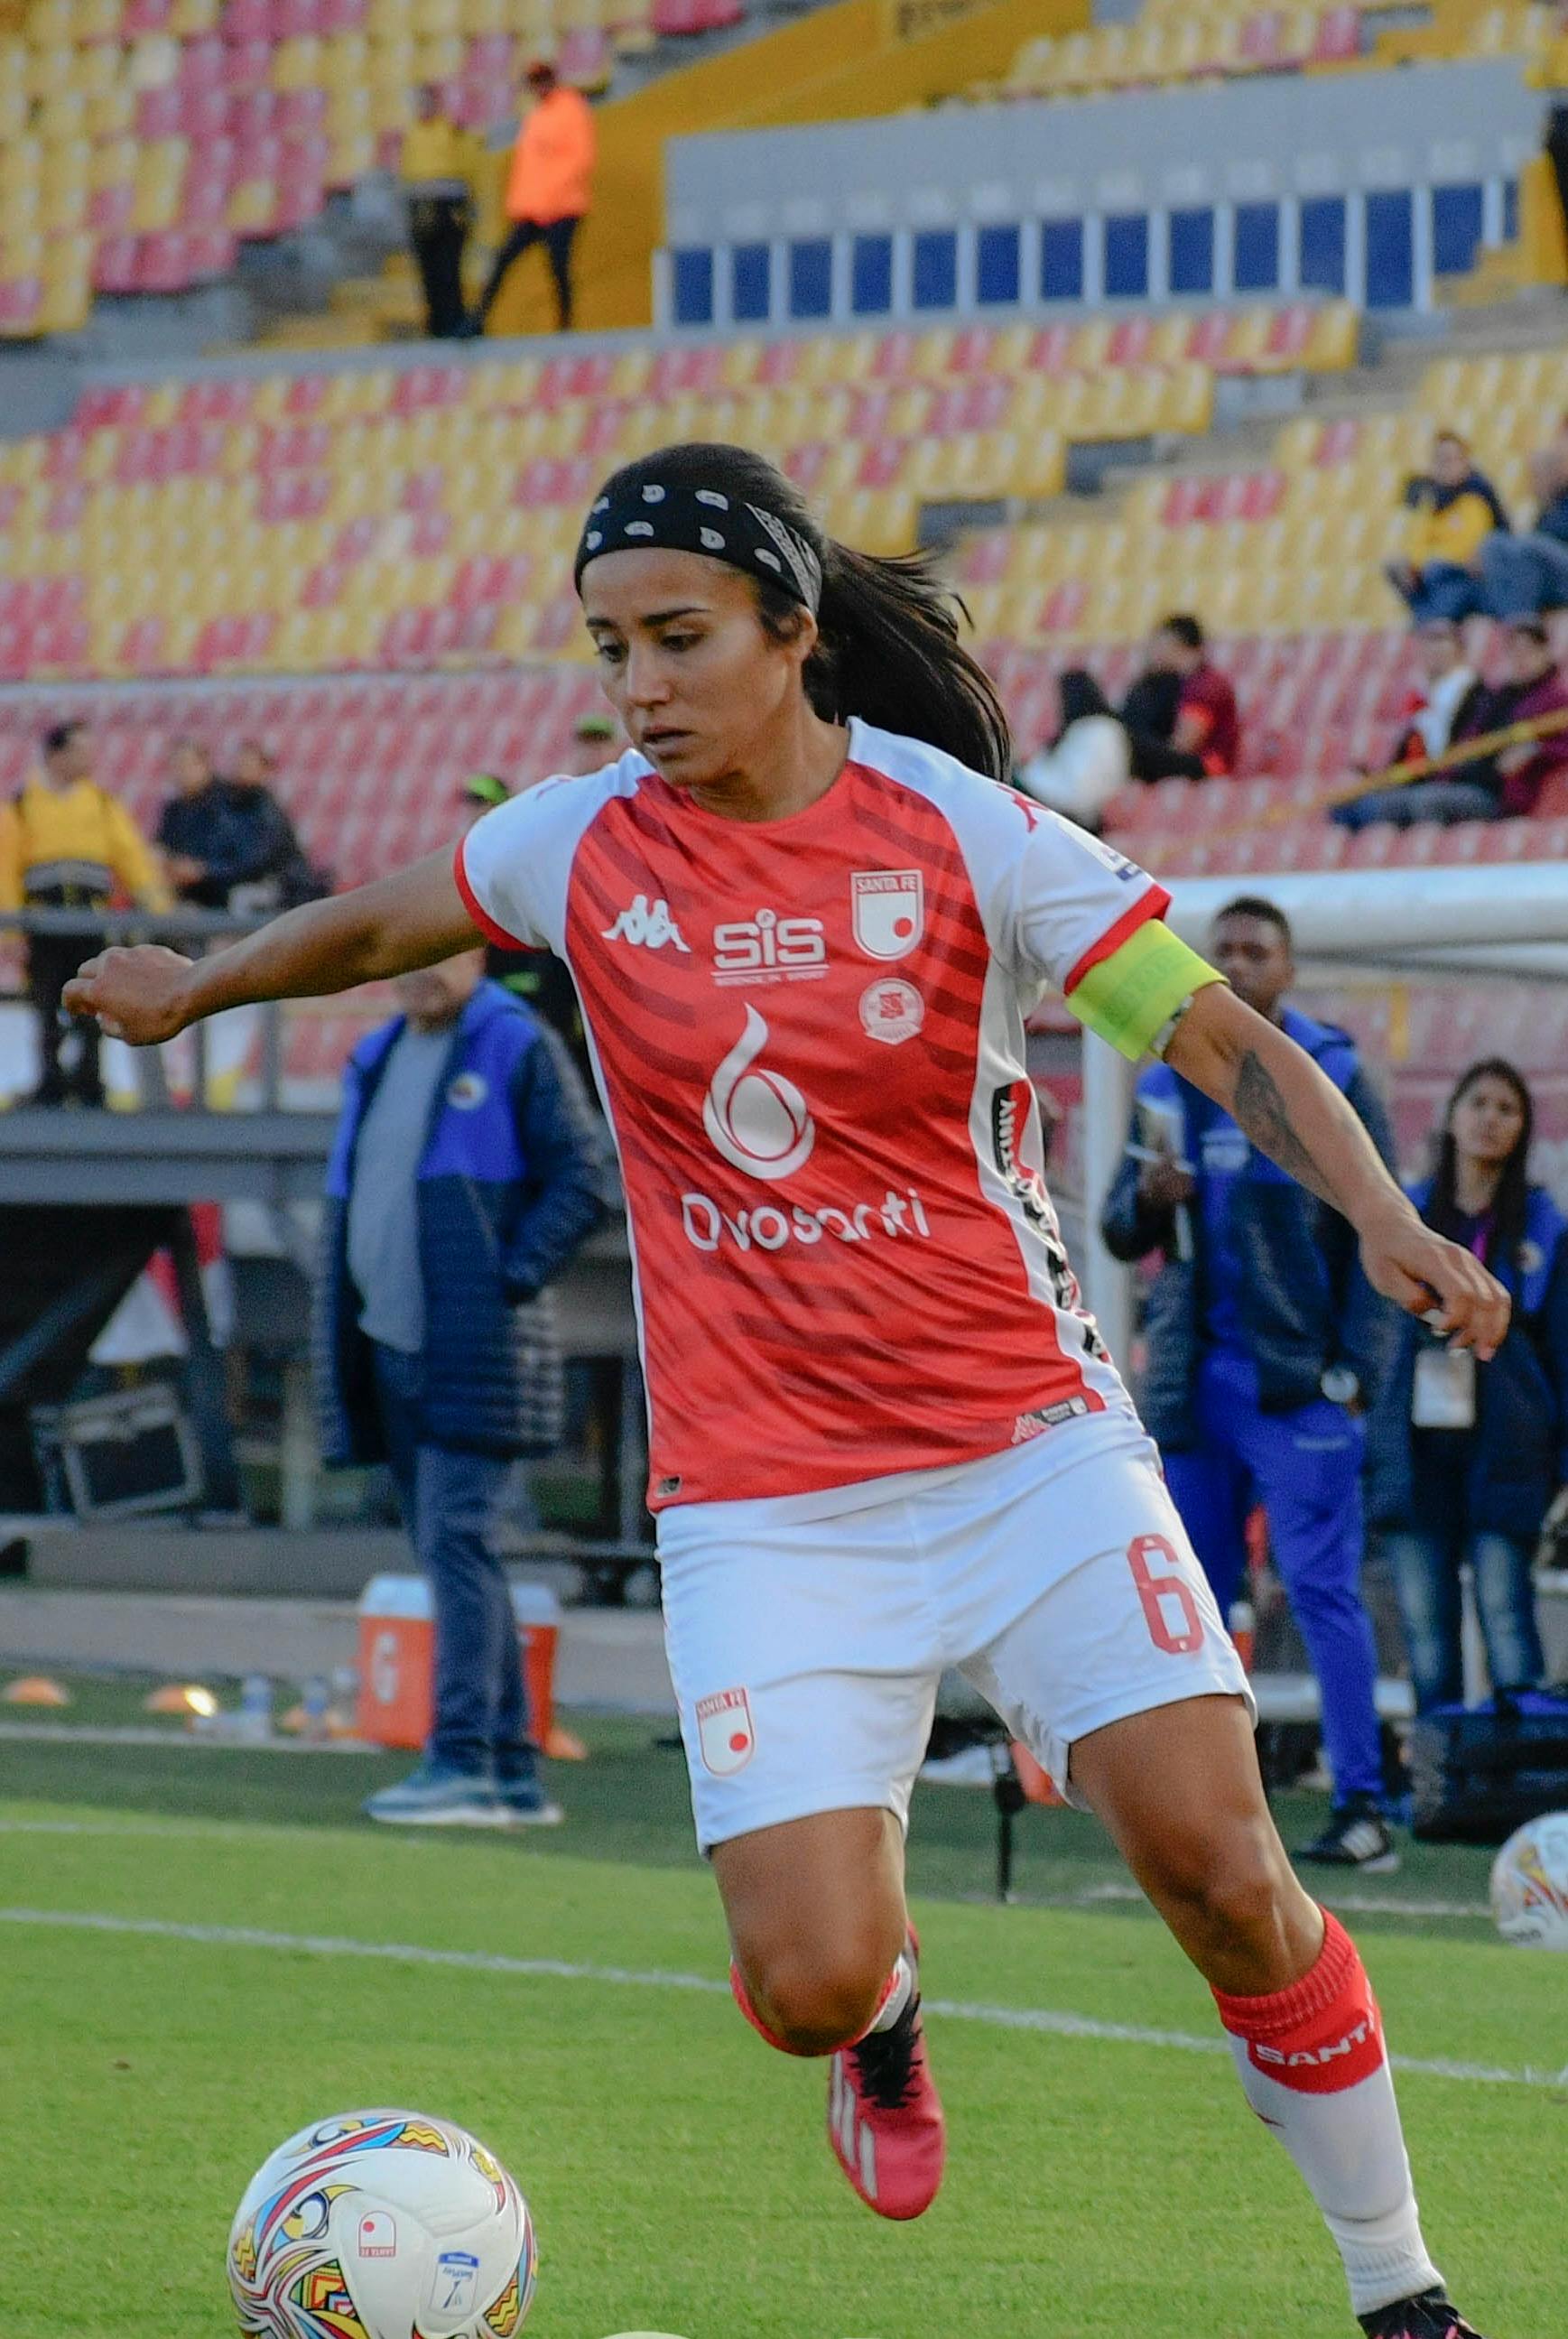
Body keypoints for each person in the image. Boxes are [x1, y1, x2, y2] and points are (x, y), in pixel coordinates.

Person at [65, 441, 1508, 2339]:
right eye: (609, 649)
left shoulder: (966, 828)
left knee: (1227, 1873)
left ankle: (1397, 2286)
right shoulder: (580, 842)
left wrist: (1385, 1211)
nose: (639, 685)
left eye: (678, 637)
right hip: (765, 1504)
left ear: (792, 631)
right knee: (810, 1977)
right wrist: (207, 984)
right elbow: (380, 920)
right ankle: (884, 2014)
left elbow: (1218, 1033)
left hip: (1031, 1453)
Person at [1101, 896, 1402, 1869]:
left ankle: (1362, 1801)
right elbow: (1116, 1230)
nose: (1234, 961)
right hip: (1194, 1386)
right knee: (1190, 1604)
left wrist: (1353, 1375)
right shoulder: (1168, 1080)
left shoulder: (1337, 1072)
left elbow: (1380, 1234)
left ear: (1288, 968)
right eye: (1219, 948)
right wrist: (1144, 1201)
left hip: (1296, 1388)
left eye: (1253, 949)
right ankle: (1209, 1816)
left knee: (1320, 1592)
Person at [318, 948, 609, 1825]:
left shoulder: (512, 1044)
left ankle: (466, 1757)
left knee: (456, 1544)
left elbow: (586, 1177)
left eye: (437, 950)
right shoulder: (375, 1054)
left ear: (478, 953)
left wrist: (506, 1278)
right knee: (454, 1553)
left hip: (475, 1350)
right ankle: (508, 1768)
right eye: (404, 952)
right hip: (389, 1347)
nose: (419, 969)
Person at [1369, 1060, 1566, 1715]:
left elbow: (1561, 1351)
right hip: (1411, 1447)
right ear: (1450, 1116)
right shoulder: (1404, 1215)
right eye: (1476, 1102)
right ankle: (1438, 1786)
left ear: (1522, 1129)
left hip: (1508, 1452)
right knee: (1426, 1635)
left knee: (1507, 1618)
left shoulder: (1542, 1227)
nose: (1489, 1117)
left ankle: (1522, 1787)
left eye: (1506, 1108)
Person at [0, 718, 168, 1106]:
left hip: (90, 921)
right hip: (43, 923)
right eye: (79, 750)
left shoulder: (101, 803)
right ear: (56, 755)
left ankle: (90, 1081)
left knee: (94, 1001)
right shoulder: (23, 807)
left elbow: (132, 858)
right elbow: (6, 871)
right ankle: (51, 1083)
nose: (89, 759)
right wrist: (10, 934)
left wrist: (159, 907)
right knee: (46, 1005)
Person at [467, 59, 595, 336]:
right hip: (534, 209)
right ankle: (479, 317)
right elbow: (529, 167)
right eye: (534, 82)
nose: (538, 87)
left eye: (541, 81)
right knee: (504, 260)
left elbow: (579, 158)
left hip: (562, 207)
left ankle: (565, 324)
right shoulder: (538, 115)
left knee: (559, 267)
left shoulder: (570, 110)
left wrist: (551, 196)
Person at [1331, 620, 1491, 831]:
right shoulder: (1423, 699)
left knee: (1421, 802)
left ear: (1459, 651)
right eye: (1429, 645)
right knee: (1347, 804)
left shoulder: (1480, 698)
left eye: (1441, 643)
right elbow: (1408, 758)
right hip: (1425, 783)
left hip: (1465, 785)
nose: (1434, 652)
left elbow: (1473, 756)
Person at [157, 737, 317, 914]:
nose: (241, 772)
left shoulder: (260, 809)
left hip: (275, 887)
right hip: (214, 888)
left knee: (242, 899)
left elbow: (253, 862)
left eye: (248, 766)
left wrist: (203, 871)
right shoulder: (180, 809)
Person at [1386, 431, 1508, 625]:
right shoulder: (1431, 502)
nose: (1445, 467)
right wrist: (1419, 562)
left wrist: (1430, 558)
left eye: (1451, 460)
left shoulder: (1476, 496)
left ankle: (1432, 623)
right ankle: (1429, 623)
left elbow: (1466, 550)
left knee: (1439, 571)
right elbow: (1415, 546)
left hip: (1475, 582)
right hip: (1436, 576)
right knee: (1396, 567)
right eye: (1440, 460)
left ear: (1465, 462)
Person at [402, 85, 476, 340]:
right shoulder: (412, 134)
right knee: (428, 269)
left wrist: (465, 206)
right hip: (421, 205)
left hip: (448, 205)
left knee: (449, 267)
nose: (424, 108)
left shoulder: (451, 130)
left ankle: (454, 321)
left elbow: (466, 165)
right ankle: (435, 325)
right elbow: (408, 172)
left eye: (428, 102)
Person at [1480, 412, 1568, 618]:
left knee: (1528, 546)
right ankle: (1512, 619)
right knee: (1493, 544)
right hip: (1550, 571)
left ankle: (1522, 621)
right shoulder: (1552, 505)